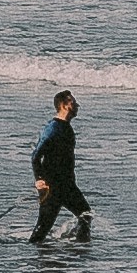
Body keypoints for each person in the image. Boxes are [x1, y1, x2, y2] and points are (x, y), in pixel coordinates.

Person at [29, 92, 91, 243]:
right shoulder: (52, 128)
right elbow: (36, 156)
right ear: (64, 106)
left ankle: (79, 248)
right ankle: (30, 254)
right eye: (73, 103)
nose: (77, 106)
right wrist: (39, 179)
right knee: (43, 227)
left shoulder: (67, 128)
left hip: (68, 184)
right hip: (52, 186)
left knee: (86, 215)